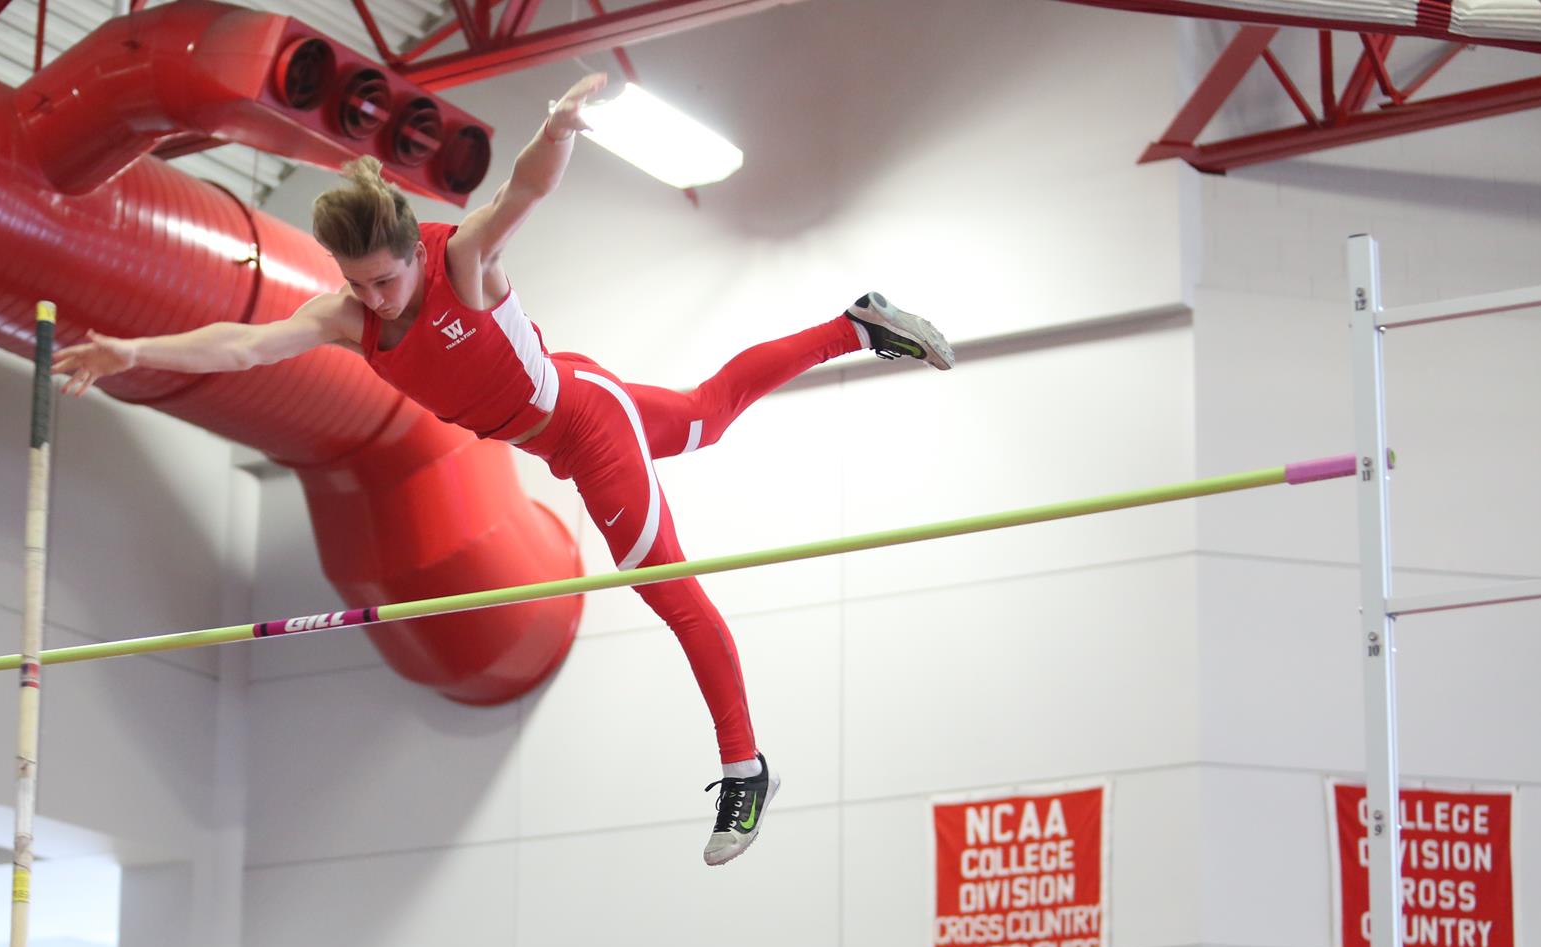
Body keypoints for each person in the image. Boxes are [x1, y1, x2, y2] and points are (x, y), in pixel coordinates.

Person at [54, 73, 953, 866]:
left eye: (385, 281)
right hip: (573, 406)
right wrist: (130, 349)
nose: (375, 299)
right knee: (711, 413)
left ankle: (744, 763)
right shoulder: (344, 317)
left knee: (673, 590)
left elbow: (523, 190)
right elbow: (246, 346)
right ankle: (860, 323)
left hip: (586, 428)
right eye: (359, 284)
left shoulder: (463, 262)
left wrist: (557, 128)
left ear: (412, 252)